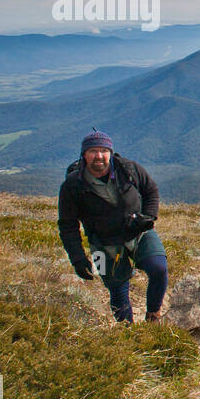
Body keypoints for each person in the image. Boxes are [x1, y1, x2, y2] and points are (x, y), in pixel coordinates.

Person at [57, 130, 169, 324]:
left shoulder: (129, 169)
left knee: (159, 268)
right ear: (84, 154)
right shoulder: (72, 186)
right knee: (117, 288)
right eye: (93, 151)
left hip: (139, 232)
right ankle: (127, 332)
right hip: (102, 244)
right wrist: (77, 259)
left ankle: (153, 314)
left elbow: (151, 190)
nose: (99, 156)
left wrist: (149, 216)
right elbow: (67, 226)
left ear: (110, 152)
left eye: (103, 150)